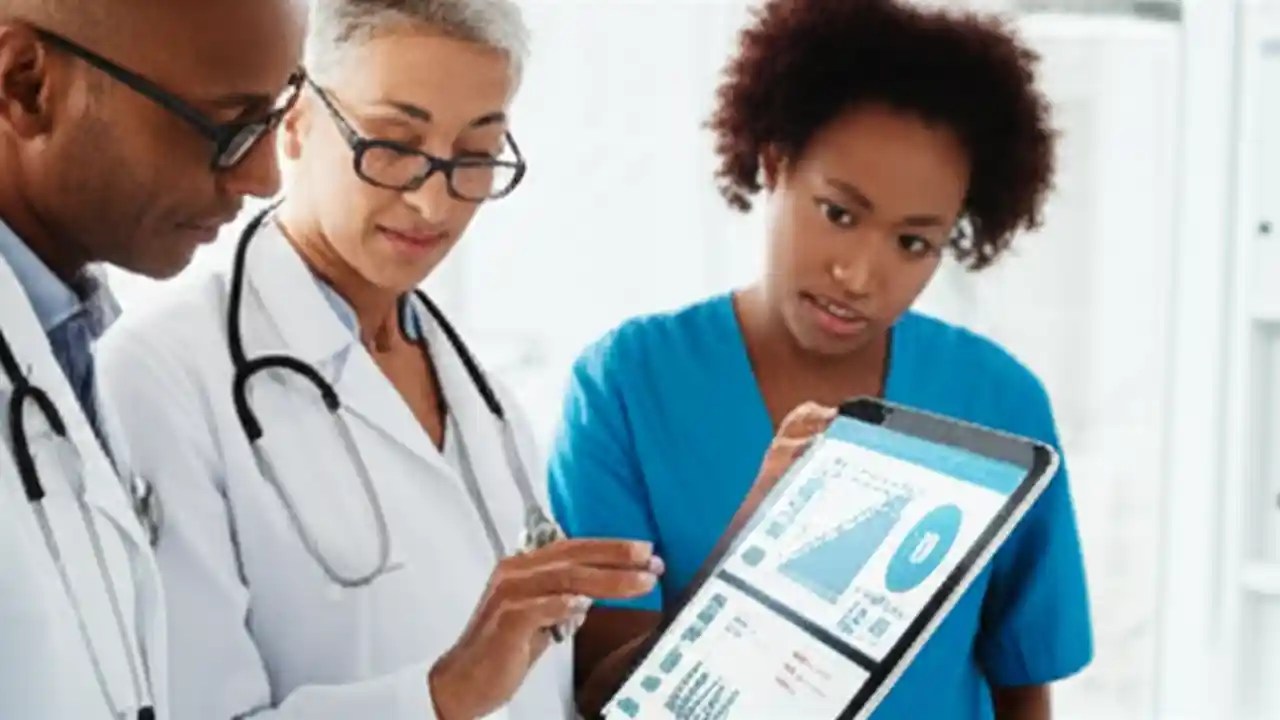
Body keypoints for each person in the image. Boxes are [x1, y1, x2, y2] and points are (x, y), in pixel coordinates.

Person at [95, 1, 677, 718]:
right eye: (394, 143)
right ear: (297, 121)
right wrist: (440, 696)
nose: (433, 203)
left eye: (472, 157)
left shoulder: (489, 405)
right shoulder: (162, 379)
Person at [548, 0, 1094, 718]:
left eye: (914, 243)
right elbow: (599, 700)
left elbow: (1024, 685)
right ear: (774, 164)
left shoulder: (999, 401)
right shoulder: (628, 384)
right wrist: (755, 548)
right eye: (839, 212)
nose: (861, 275)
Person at [0, 0, 305, 717]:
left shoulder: (77, 342)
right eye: (228, 124)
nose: (263, 177)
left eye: (274, 118)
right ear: (25, 85)